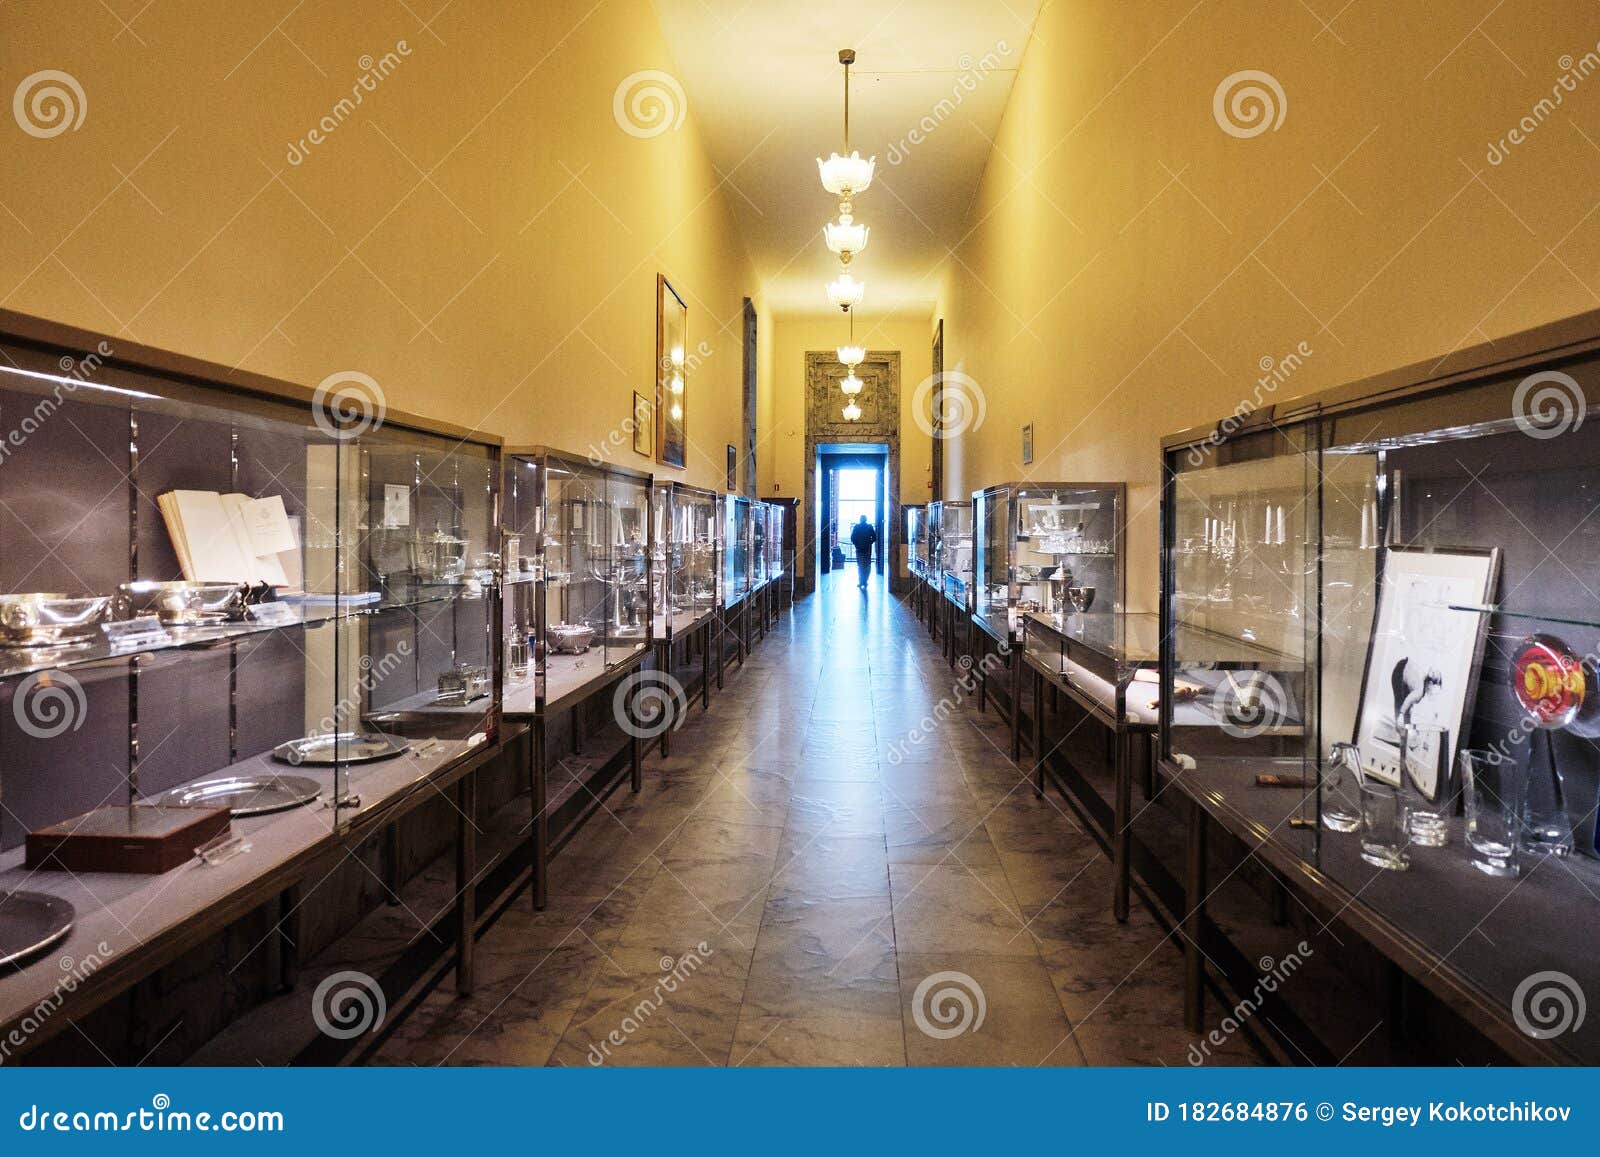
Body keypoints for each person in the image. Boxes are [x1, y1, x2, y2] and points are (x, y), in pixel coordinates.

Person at [849, 515, 878, 590]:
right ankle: (865, 581)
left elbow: (852, 538)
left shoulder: (856, 527)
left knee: (860, 565)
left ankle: (861, 581)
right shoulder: (869, 527)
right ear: (866, 519)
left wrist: (856, 544)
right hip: (867, 549)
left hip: (859, 550)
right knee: (867, 566)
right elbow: (874, 537)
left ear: (860, 519)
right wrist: (869, 543)